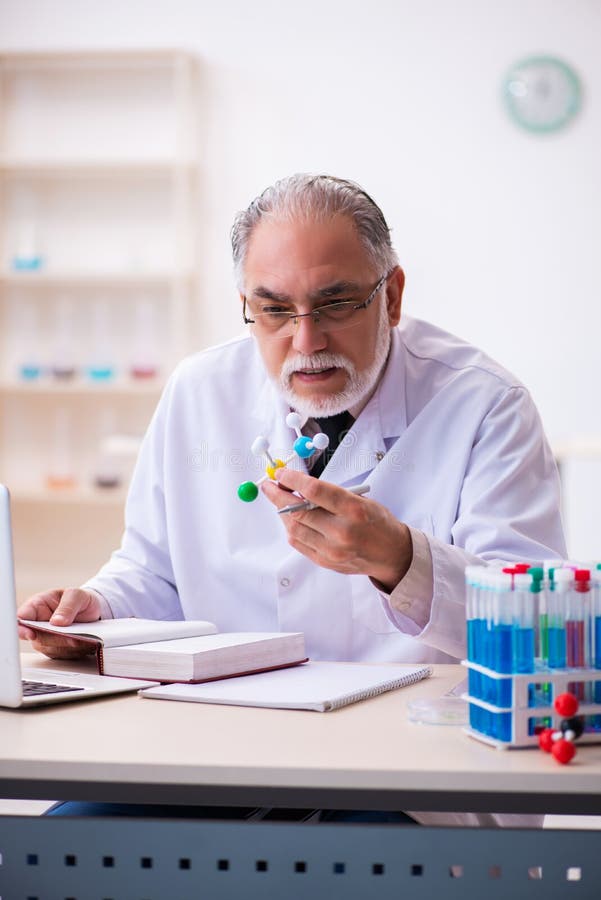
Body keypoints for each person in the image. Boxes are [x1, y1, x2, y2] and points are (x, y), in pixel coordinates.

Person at [18, 174, 566, 826]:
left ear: (390, 296)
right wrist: (98, 607)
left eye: (334, 304)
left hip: (404, 773)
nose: (305, 342)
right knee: (65, 844)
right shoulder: (199, 391)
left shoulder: (482, 405)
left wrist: (402, 561)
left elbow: (537, 633)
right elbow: (153, 569)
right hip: (214, 750)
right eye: (274, 309)